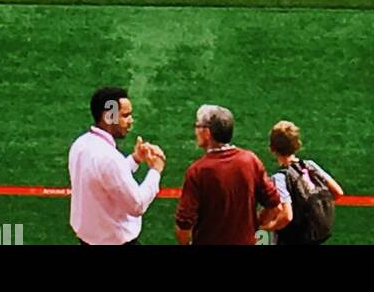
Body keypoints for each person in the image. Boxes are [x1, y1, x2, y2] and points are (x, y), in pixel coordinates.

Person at [173, 104, 286, 246]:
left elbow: (184, 224)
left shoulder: (197, 171)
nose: (195, 131)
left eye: (197, 126)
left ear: (207, 132)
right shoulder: (250, 160)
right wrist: (255, 225)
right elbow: (275, 206)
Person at [68, 85, 165, 245]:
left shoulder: (80, 144)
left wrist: (135, 159)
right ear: (109, 116)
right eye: (125, 115)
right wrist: (156, 170)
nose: (130, 121)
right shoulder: (109, 157)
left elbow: (105, 178)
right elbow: (137, 204)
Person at [264, 120, 342, 246]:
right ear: (297, 145)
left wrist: (268, 226)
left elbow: (287, 216)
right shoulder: (310, 165)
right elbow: (338, 192)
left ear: (272, 148)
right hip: (314, 235)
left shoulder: (280, 177)